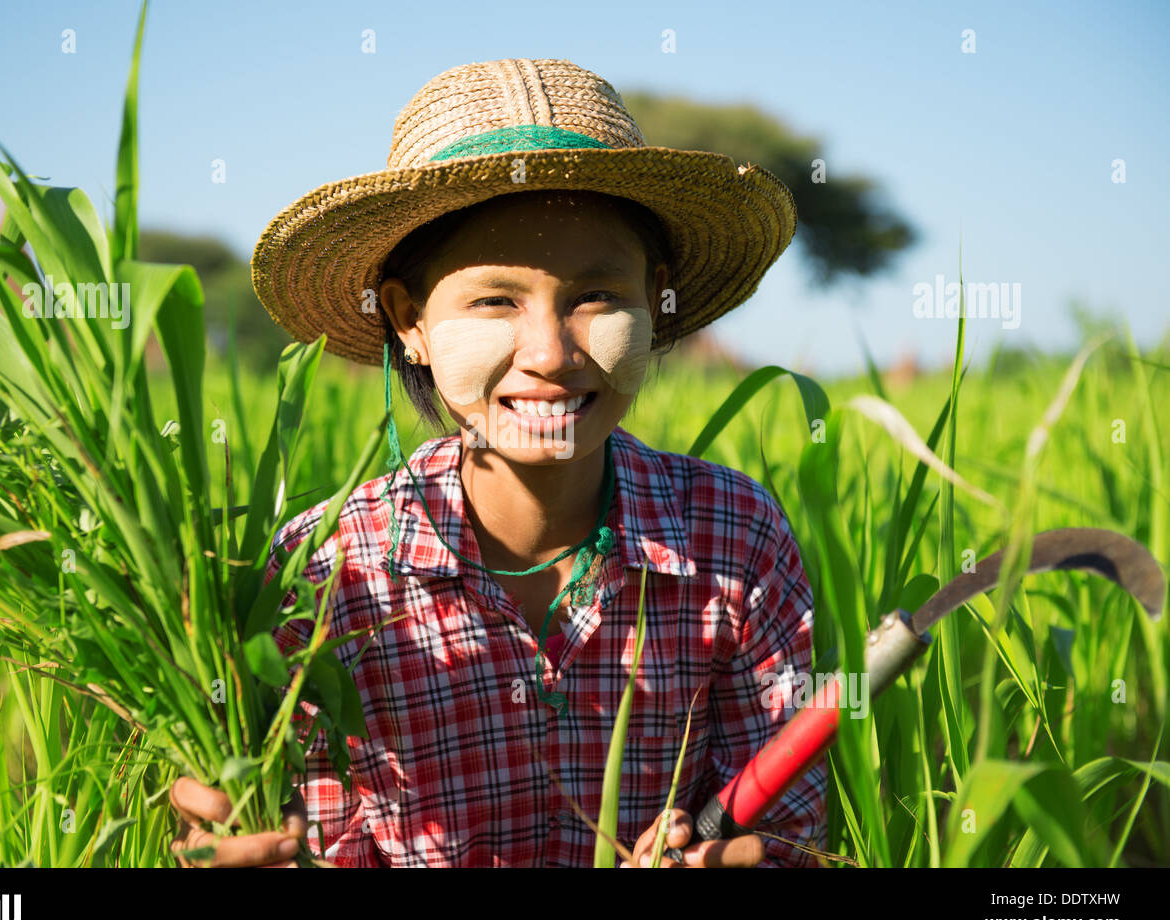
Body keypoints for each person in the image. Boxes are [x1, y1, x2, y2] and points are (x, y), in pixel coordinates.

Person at [170, 57, 825, 867]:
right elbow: (295, 832)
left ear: (654, 302)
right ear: (408, 320)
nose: (549, 353)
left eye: (597, 297)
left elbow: (795, 827)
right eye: (494, 301)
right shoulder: (325, 572)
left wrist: (742, 857)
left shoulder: (734, 538)